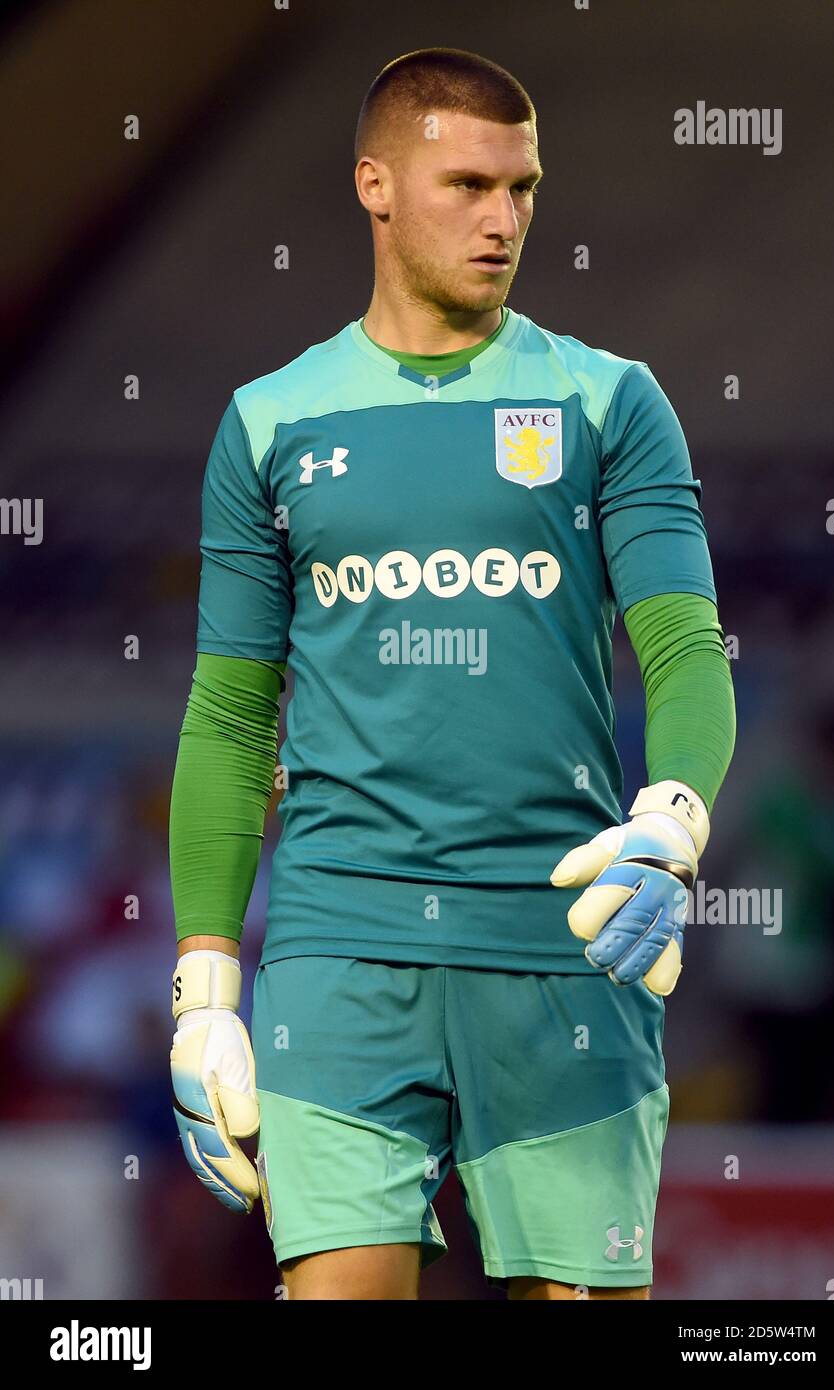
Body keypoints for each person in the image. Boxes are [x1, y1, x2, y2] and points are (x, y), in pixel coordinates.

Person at [169, 47, 735, 1301]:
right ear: (375, 185)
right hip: (338, 945)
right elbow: (227, 711)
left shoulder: (608, 403)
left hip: (562, 937)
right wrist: (204, 983)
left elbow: (686, 646)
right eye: (467, 183)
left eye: (522, 188)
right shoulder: (269, 422)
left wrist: (673, 814)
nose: (502, 219)